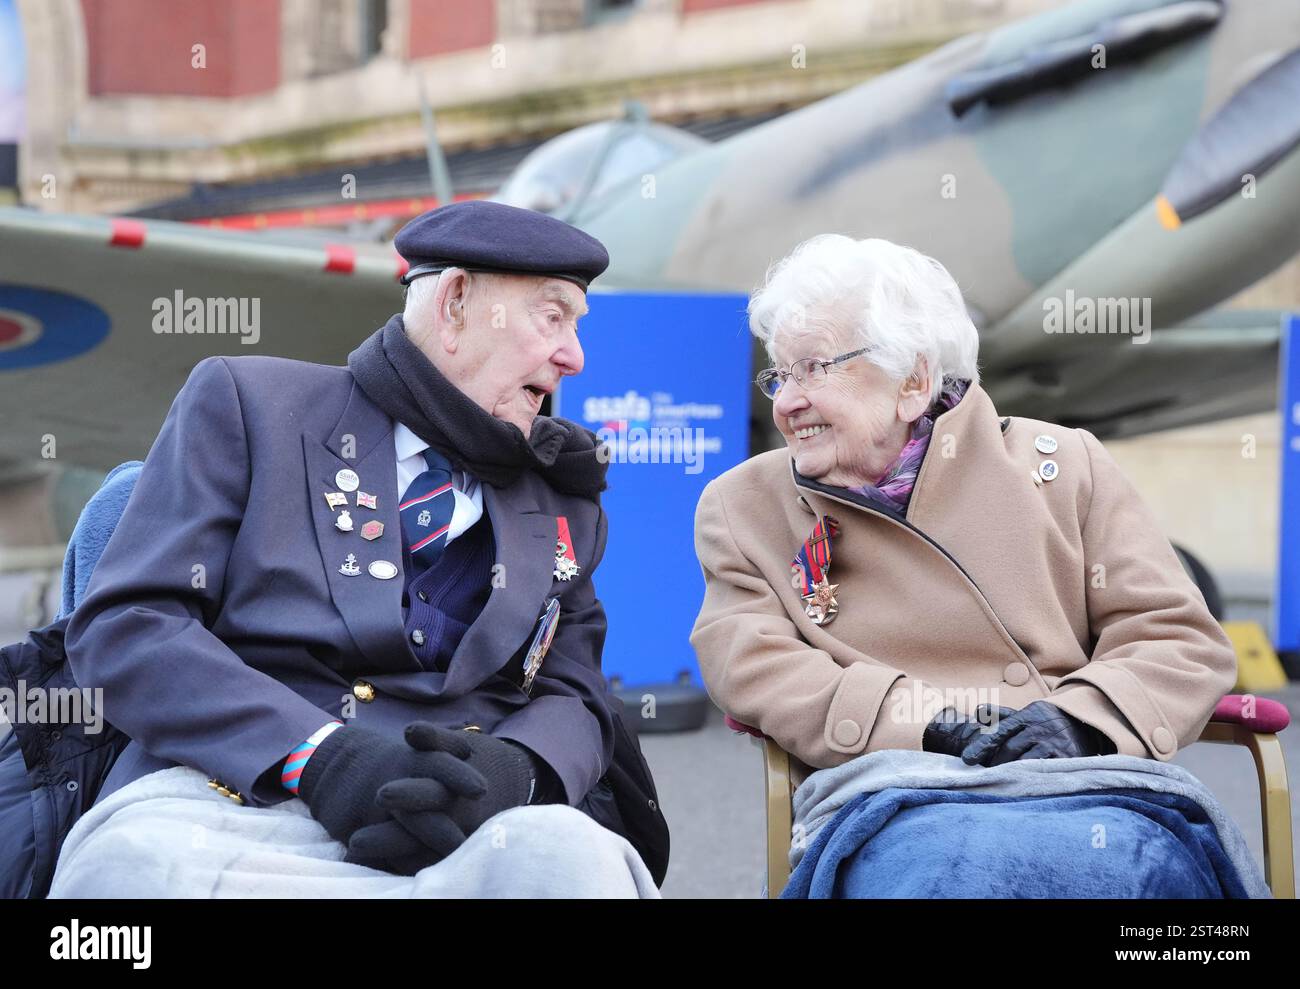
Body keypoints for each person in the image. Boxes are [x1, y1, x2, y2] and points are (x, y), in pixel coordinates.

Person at [46, 200, 664, 898]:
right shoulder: (249, 404)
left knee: (570, 861)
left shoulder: (564, 501)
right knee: (132, 870)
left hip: (467, 835)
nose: (574, 356)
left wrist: (510, 774)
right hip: (230, 800)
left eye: (576, 326)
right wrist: (318, 756)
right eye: (553, 317)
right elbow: (127, 626)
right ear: (458, 302)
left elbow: (576, 692)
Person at [690, 234, 1238, 895]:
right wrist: (924, 719)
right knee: (951, 872)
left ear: (914, 382)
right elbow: (746, 660)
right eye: (781, 374)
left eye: (815, 369)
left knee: (1148, 873)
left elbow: (1177, 637)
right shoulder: (744, 506)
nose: (786, 401)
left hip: (1087, 788)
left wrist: (1081, 719)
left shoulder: (1064, 465)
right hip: (897, 797)